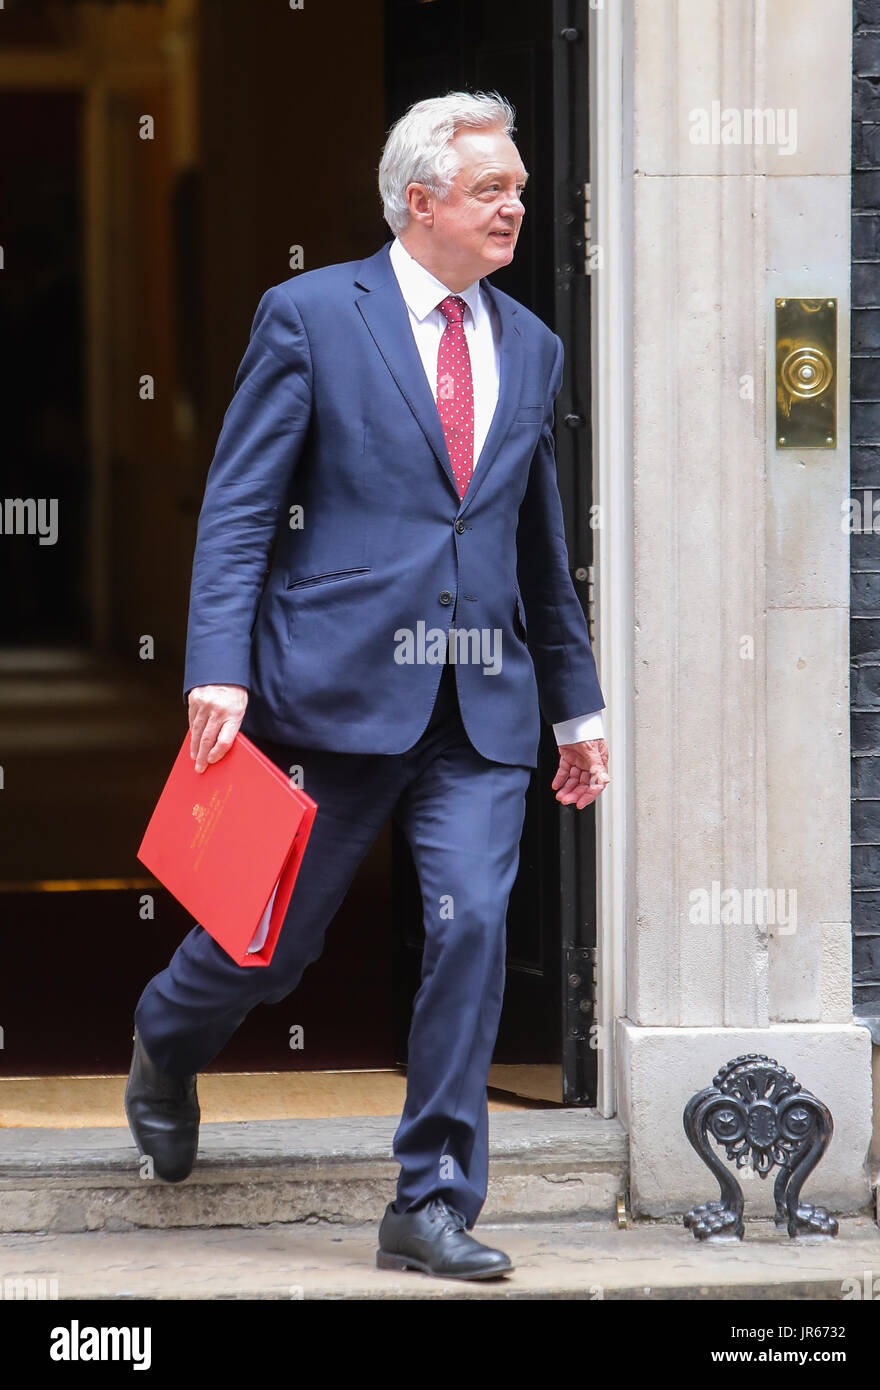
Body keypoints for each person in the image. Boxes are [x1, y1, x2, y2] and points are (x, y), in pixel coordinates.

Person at [126, 90, 609, 1283]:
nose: (514, 208)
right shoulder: (307, 316)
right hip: (328, 690)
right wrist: (218, 673)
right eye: (491, 189)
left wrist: (576, 705)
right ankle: (164, 1039)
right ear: (420, 199)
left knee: (476, 925)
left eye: (518, 190)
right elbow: (240, 510)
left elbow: (532, 547)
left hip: (478, 707)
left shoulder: (530, 345)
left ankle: (429, 1197)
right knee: (266, 948)